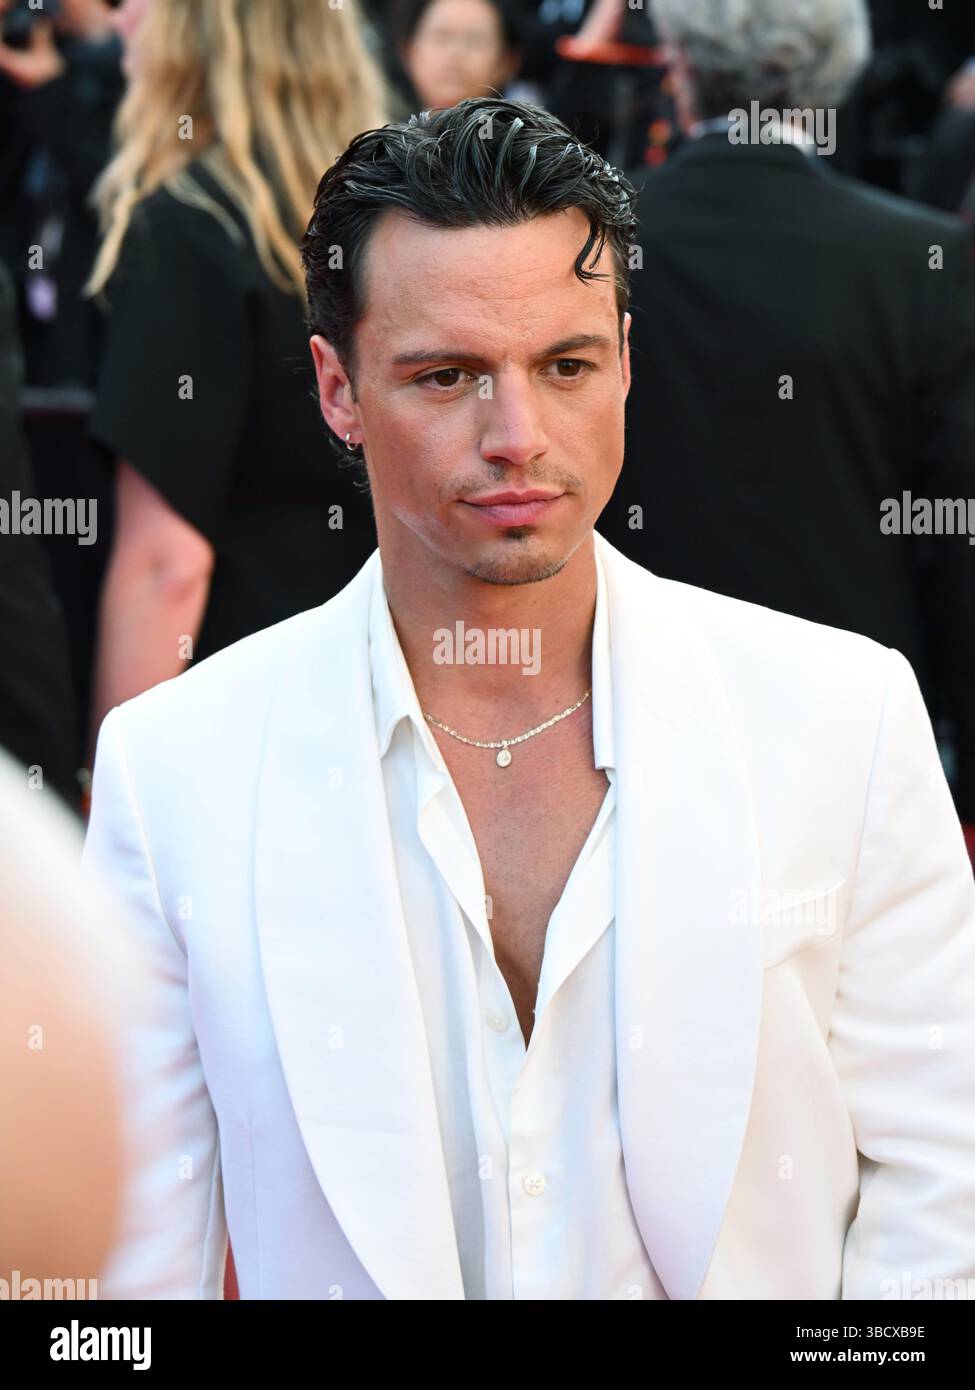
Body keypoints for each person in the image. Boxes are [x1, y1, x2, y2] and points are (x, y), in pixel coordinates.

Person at [83, 97, 975, 1301]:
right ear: (338, 391)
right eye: (446, 375)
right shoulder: (176, 768)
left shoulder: (843, 717)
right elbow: (128, 1259)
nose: (517, 435)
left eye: (565, 366)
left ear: (622, 355)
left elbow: (940, 1193)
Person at [598, 0, 975, 857]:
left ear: (680, 66)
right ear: (835, 76)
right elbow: (959, 537)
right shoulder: (912, 261)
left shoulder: (597, 249)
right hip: (849, 736)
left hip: (628, 719)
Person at [85, 0, 389, 753]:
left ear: (201, 34)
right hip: (385, 696)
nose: (120, 23)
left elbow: (167, 565)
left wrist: (118, 794)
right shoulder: (392, 228)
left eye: (136, 3)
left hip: (236, 721)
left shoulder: (189, 230)